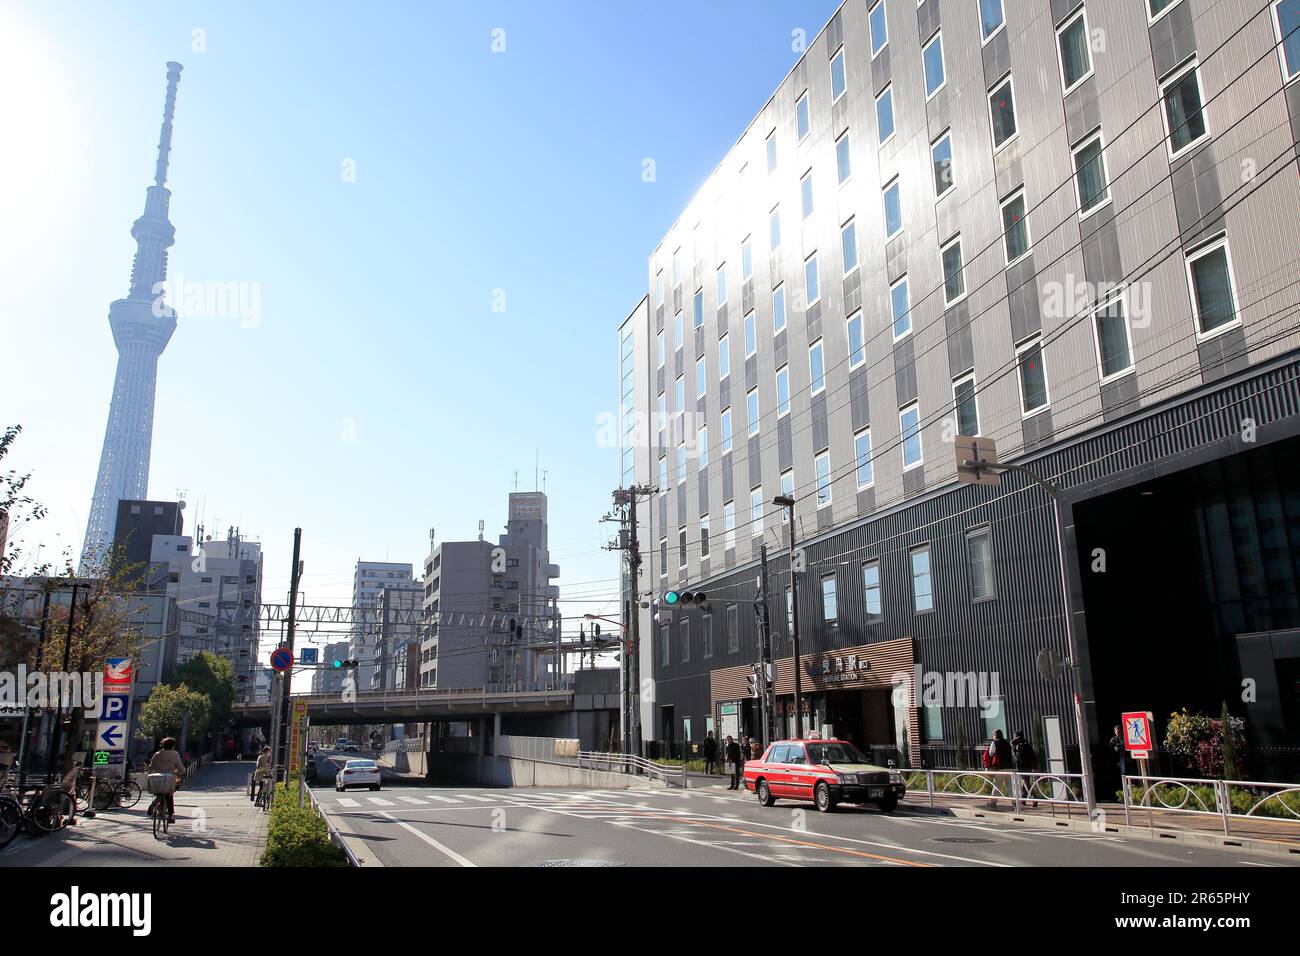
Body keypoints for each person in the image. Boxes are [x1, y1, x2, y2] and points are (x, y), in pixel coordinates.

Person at [146, 737, 185, 824]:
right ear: (173, 746)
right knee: (169, 796)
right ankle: (170, 816)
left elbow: (151, 767)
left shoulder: (157, 754)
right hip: (169, 779)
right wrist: (182, 771)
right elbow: (181, 768)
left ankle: (153, 805)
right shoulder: (175, 754)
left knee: (158, 793)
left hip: (157, 779)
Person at [1010, 729, 1037, 807]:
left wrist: (1035, 766)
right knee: (1025, 782)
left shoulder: (1024, 745)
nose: (1014, 738)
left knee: (1026, 782)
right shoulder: (1020, 745)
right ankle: (1023, 799)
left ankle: (1034, 798)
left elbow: (1032, 756)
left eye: (1015, 737)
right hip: (1024, 766)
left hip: (1024, 766)